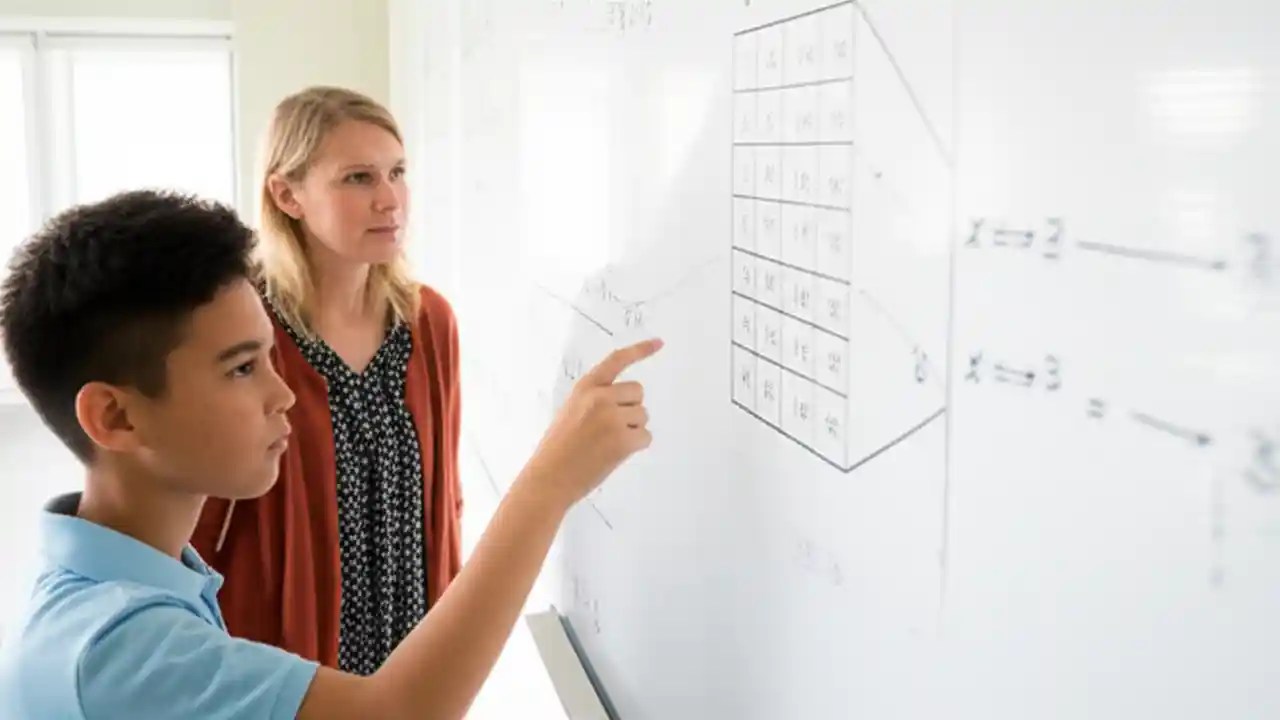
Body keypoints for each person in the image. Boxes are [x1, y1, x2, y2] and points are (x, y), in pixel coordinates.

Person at [0, 189, 661, 719]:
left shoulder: (138, 582)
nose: (284, 394)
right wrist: (550, 483)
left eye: (270, 357)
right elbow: (399, 714)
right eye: (240, 370)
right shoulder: (119, 651)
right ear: (115, 416)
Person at [190, 86, 458, 672]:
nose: (391, 201)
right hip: (280, 658)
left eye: (397, 172)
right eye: (358, 179)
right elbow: (196, 515)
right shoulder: (243, 327)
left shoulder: (429, 321)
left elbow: (445, 497)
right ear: (287, 194)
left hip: (413, 655)